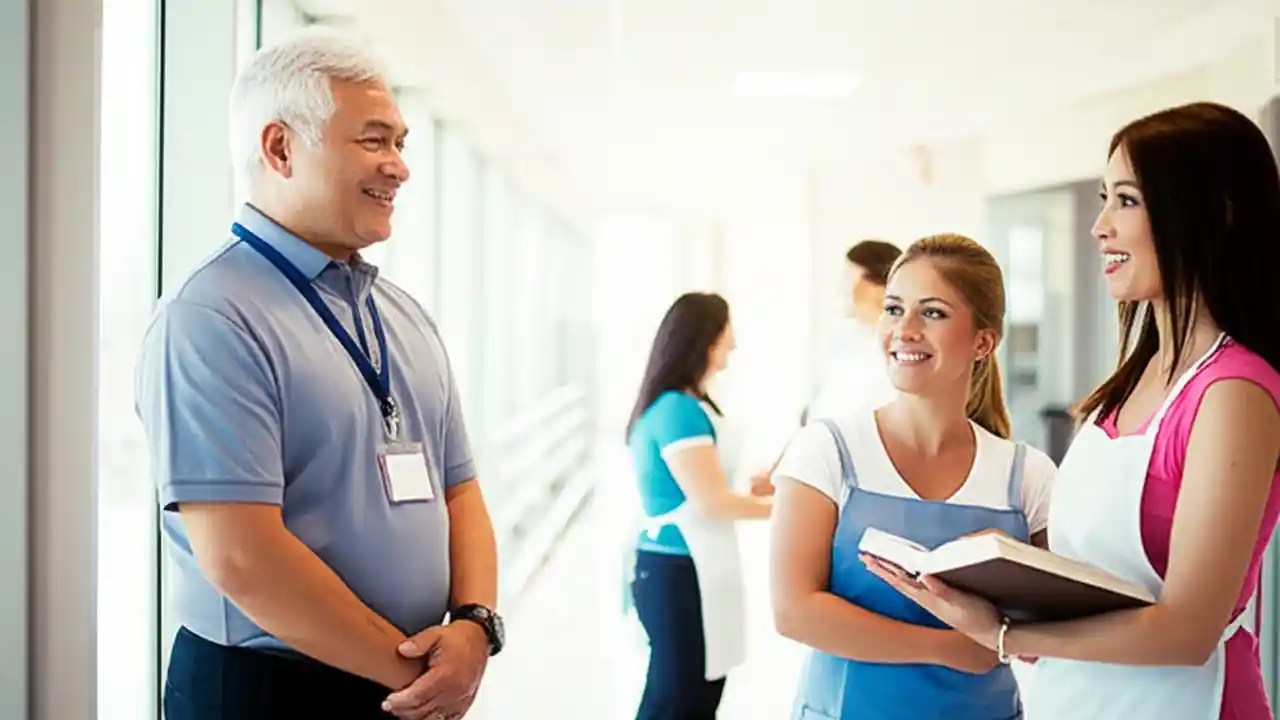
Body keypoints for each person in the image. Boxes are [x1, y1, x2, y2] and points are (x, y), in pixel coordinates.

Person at [866, 102, 1280, 720]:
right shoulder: (1130, 382)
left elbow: (1187, 632)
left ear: (1213, 212)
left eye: (1127, 200)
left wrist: (1004, 635)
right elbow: (1107, 577)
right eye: (1104, 197)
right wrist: (1006, 572)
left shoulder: (1234, 393)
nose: (1100, 226)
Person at [135, 31, 503, 720]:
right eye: (373, 141)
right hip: (270, 691)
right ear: (280, 149)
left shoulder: (402, 316)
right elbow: (243, 558)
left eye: (401, 142)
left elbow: (461, 491)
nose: (399, 167)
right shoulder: (212, 315)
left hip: (406, 684)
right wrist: (423, 672)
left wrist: (476, 624)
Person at [770, 233, 1058, 719]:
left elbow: (1052, 632)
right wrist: (948, 646)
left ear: (983, 341)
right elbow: (794, 610)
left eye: (933, 313)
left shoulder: (1026, 475)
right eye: (893, 309)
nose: (904, 329)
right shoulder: (828, 452)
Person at [625, 292, 773, 719]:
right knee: (675, 696)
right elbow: (711, 502)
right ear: (707, 338)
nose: (735, 344)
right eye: (729, 332)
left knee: (700, 688)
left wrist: (757, 493)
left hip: (694, 563)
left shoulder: (695, 403)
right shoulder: (677, 410)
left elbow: (710, 488)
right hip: (675, 568)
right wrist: (791, 510)